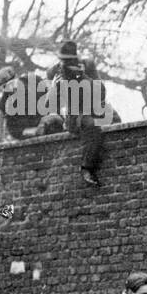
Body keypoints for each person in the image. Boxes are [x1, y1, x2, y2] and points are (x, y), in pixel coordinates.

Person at [49, 41, 116, 187]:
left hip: (94, 106)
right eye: (63, 60)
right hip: (75, 114)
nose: (65, 64)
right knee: (91, 125)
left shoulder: (87, 65)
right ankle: (87, 168)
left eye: (69, 60)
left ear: (75, 58)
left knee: (115, 118)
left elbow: (102, 92)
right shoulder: (55, 72)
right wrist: (56, 87)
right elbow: (51, 104)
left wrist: (83, 77)